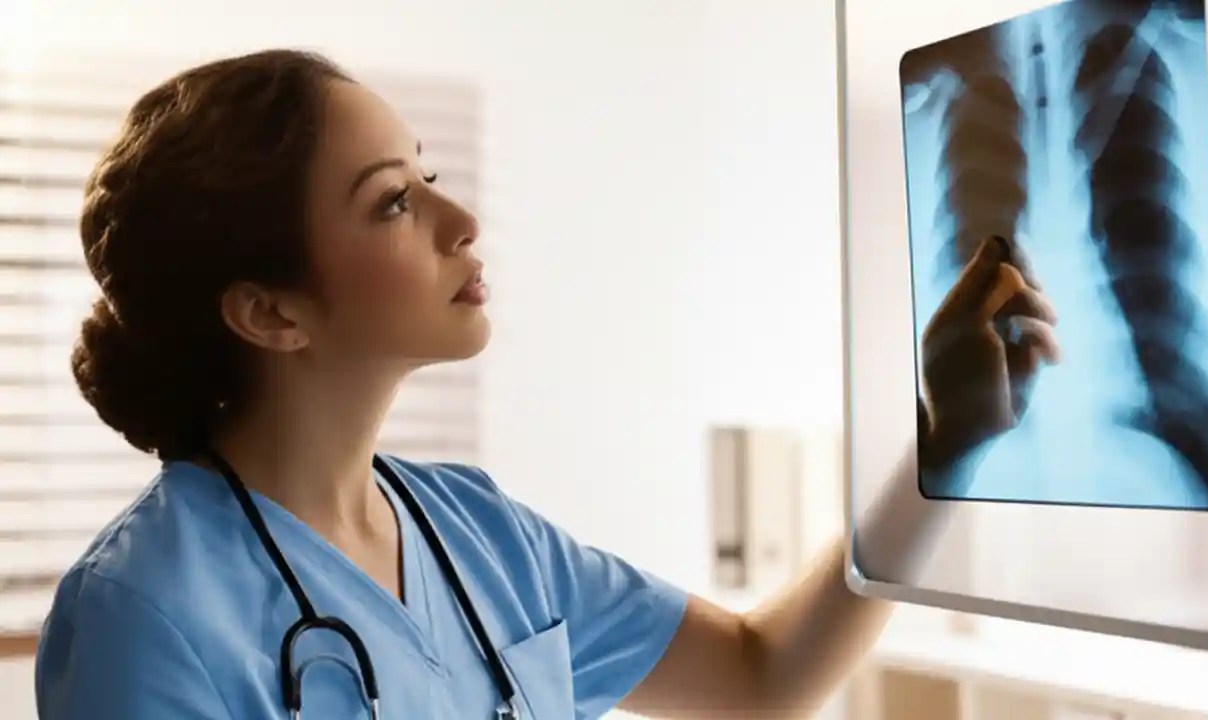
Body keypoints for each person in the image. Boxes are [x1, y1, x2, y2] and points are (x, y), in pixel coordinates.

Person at [33, 50, 1058, 719]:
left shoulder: (472, 531)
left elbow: (759, 677)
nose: (458, 219)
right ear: (270, 313)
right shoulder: (147, 611)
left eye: (425, 173)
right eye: (391, 203)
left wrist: (942, 444)